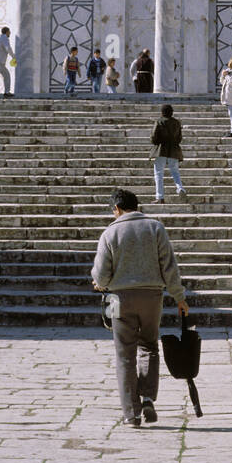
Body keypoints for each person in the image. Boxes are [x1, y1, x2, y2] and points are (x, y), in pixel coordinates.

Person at [91, 189, 188, 427]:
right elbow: (169, 266)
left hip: (118, 299)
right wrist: (179, 297)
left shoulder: (110, 233)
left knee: (124, 355)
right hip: (152, 296)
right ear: (137, 205)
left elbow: (101, 274)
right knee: (149, 346)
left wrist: (100, 283)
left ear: (117, 209)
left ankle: (131, 414)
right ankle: (147, 397)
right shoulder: (156, 228)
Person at [151, 102, 186, 203]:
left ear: (162, 113)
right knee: (175, 172)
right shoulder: (177, 123)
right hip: (174, 150)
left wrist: (155, 143)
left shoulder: (159, 122)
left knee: (158, 173)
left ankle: (160, 196)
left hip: (161, 150)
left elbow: (153, 137)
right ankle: (180, 188)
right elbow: (179, 137)